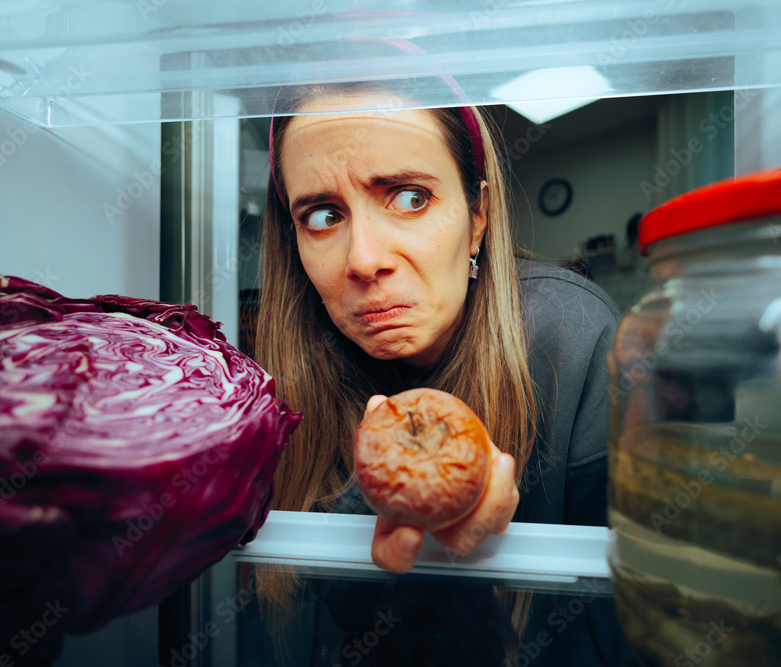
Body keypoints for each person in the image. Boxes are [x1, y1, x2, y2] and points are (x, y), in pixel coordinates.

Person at [250, 81, 631, 666]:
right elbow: (333, 613)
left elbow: (618, 618)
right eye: (323, 216)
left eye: (409, 198)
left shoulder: (572, 335)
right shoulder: (299, 373)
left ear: (477, 216)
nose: (363, 260)